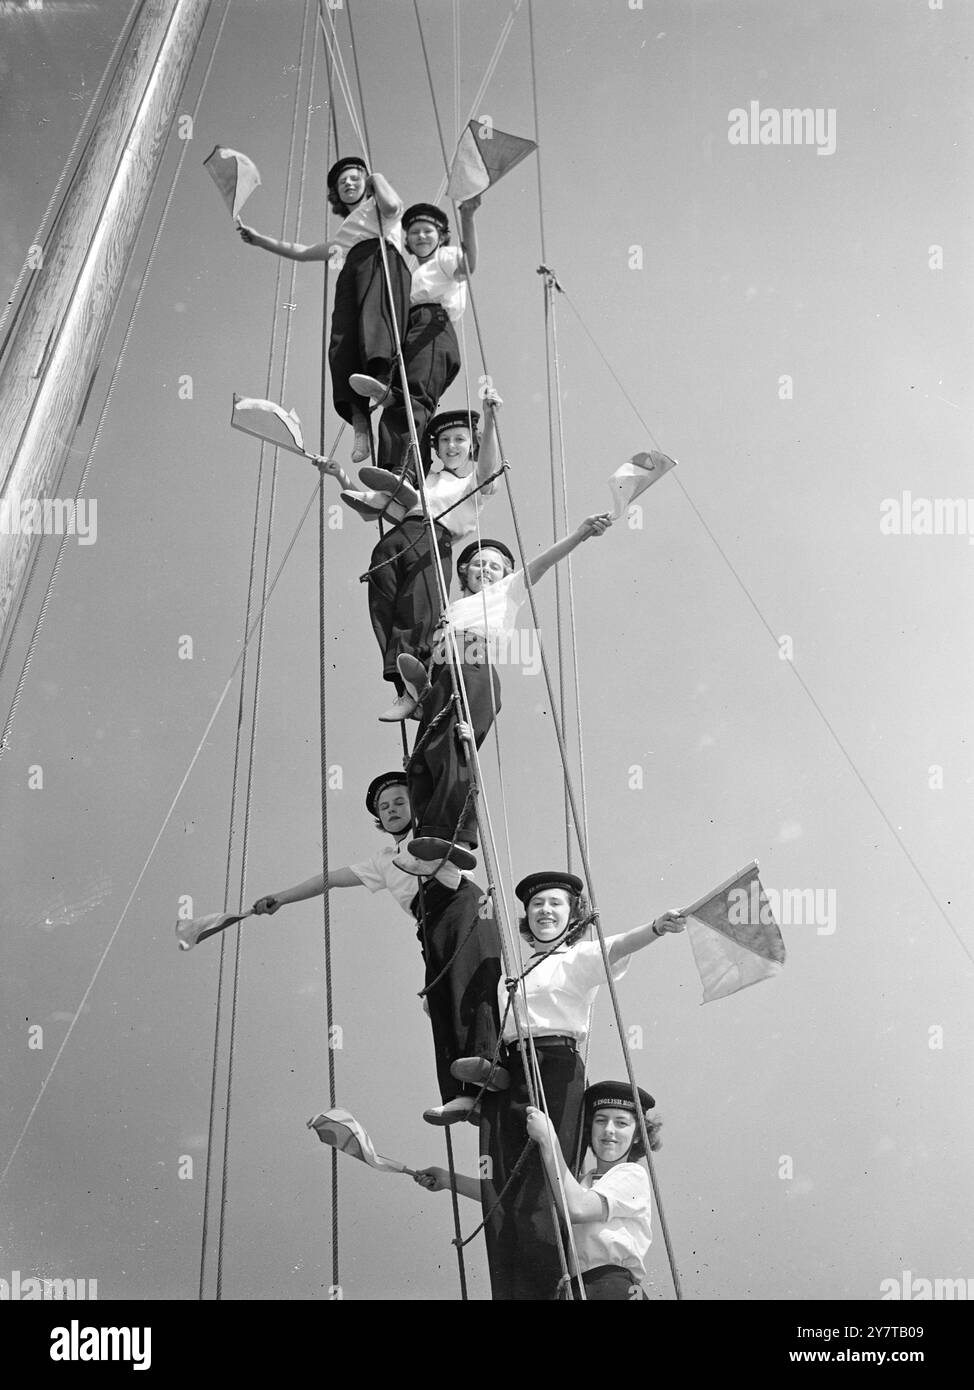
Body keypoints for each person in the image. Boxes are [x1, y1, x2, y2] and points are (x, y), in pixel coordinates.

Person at [180, 771, 501, 1123]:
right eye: (384, 807)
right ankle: (462, 1095)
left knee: (466, 984)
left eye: (399, 802)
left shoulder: (430, 831)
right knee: (440, 1002)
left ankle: (488, 1062)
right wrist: (282, 898)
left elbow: (451, 785)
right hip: (430, 924)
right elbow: (330, 879)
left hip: (461, 903)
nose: (391, 810)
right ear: (378, 819)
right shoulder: (382, 860)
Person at [467, 870, 684, 1300]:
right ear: (526, 916)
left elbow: (618, 945)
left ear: (573, 915)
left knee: (540, 1173)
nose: (545, 910)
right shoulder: (513, 975)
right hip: (512, 1065)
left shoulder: (577, 958)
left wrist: (657, 927)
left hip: (555, 1064)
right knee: (514, 1175)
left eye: (556, 903)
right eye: (537, 904)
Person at [392, 513, 612, 876]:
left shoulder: (507, 591)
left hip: (474, 667)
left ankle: (455, 836)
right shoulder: (450, 607)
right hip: (443, 675)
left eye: (496, 566)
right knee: (421, 759)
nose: (486, 571)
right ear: (463, 571)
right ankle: (430, 844)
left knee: (450, 749)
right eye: (478, 564)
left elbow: (542, 563)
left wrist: (581, 534)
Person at [238, 156, 410, 464]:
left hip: (380, 260)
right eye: (341, 182)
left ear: (367, 182)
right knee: (341, 347)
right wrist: (260, 240)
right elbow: (303, 253)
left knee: (375, 322)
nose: (347, 183)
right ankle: (360, 425)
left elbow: (395, 208)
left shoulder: (380, 211)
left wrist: (378, 178)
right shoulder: (343, 237)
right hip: (351, 275)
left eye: (355, 177)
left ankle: (383, 381)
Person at [354, 403, 504, 722]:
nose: (451, 446)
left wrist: (489, 421)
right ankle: (404, 688)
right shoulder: (429, 479)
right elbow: (376, 509)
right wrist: (339, 476)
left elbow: (490, 466)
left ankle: (420, 683)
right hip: (397, 537)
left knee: (417, 609)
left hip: (432, 539)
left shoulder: (475, 482)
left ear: (472, 445)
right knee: (385, 610)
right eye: (445, 440)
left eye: (460, 440)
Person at [349, 198, 481, 474]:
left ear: (441, 236)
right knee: (398, 402)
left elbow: (467, 264)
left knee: (414, 399)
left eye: (428, 231)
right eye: (414, 232)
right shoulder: (410, 273)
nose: (421, 236)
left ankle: (406, 471)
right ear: (406, 239)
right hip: (411, 333)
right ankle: (392, 473)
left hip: (433, 328)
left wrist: (467, 217)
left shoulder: (444, 258)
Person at [526, 1079, 660, 1301]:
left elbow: (577, 1208)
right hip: (579, 1289)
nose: (609, 1130)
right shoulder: (580, 1184)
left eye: (621, 1123)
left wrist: (548, 1140)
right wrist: (447, 1179)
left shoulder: (632, 1176)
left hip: (613, 1289)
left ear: (638, 1135)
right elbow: (519, 1200)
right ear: (590, 1128)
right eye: (601, 1120)